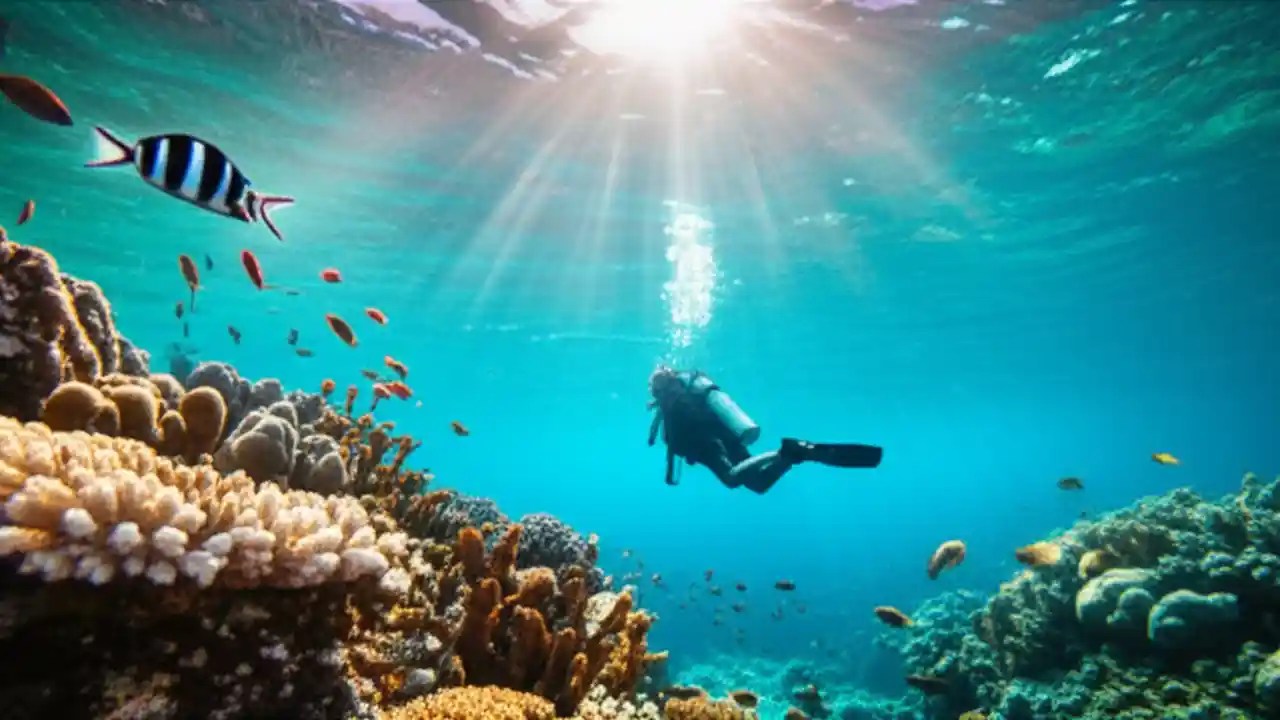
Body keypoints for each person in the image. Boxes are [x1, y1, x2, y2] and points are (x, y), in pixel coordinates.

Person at [646, 366, 883, 494]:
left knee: (731, 479)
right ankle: (794, 454)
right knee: (758, 485)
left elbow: (677, 439)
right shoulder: (675, 404)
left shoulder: (680, 405)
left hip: (708, 445)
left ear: (674, 382)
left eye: (665, 388)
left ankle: (784, 452)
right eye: (659, 391)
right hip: (723, 439)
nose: (664, 394)